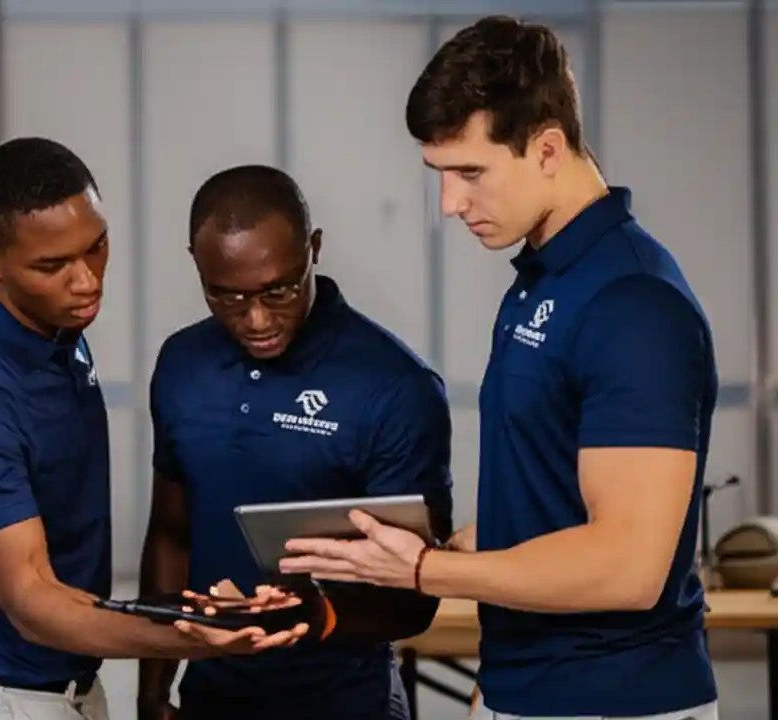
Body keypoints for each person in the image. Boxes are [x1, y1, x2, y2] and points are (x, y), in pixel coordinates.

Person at [280, 15, 720, 720]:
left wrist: (425, 570)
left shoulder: (634, 302)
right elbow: (546, 507)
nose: (451, 204)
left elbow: (629, 566)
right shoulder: (537, 285)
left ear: (547, 148)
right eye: (440, 174)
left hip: (616, 701)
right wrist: (393, 550)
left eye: (470, 172)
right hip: (525, 687)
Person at [0, 137, 306, 720]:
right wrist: (191, 635)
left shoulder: (52, 331)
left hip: (70, 693)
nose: (86, 281)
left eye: (96, 247)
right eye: (52, 266)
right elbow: (33, 600)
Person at [139, 164, 455, 720]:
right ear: (196, 262)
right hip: (212, 700)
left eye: (278, 290)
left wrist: (318, 616)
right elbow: (170, 534)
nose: (257, 319)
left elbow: (415, 597)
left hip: (346, 704)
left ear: (314, 249)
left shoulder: (395, 387)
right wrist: (152, 688)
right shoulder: (182, 365)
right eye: (227, 297)